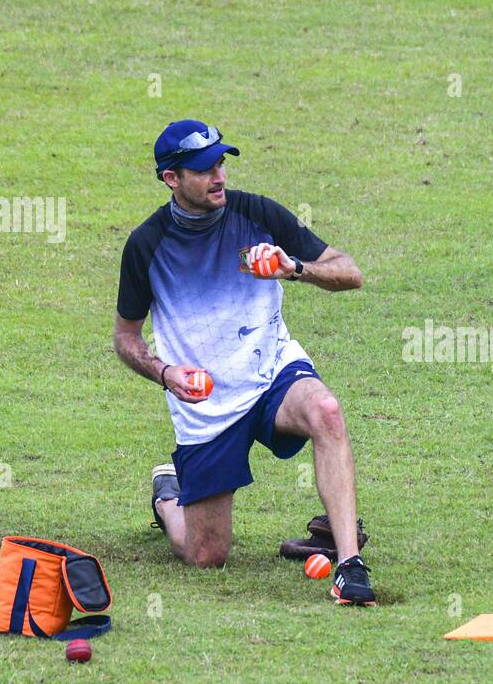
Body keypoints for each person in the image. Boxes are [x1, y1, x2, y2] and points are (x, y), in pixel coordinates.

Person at [113, 119, 375, 605]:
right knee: (205, 555)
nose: (218, 176)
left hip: (270, 372)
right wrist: (164, 374)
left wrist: (293, 267)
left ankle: (349, 565)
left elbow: (350, 273)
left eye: (220, 163)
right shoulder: (146, 245)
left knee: (327, 411)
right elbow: (125, 337)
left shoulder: (256, 214)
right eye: (201, 169)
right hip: (207, 403)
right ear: (172, 178)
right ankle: (168, 496)